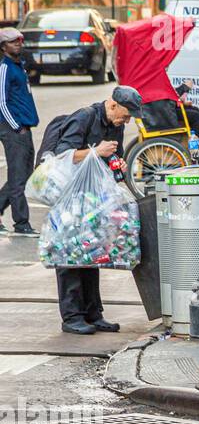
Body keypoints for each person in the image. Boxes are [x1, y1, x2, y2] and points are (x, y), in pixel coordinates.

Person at [51, 86, 142, 334]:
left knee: (92, 253)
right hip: (69, 195)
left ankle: (93, 313)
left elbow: (113, 156)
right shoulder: (84, 117)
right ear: (112, 105)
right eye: (125, 115)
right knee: (70, 255)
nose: (127, 121)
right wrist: (95, 151)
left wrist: (117, 163)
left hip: (94, 196)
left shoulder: (116, 124)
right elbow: (62, 154)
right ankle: (72, 317)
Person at [0, 27, 38, 236]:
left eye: (20, 41)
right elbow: (1, 102)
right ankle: (21, 223)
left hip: (24, 126)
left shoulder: (18, 66)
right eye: (13, 41)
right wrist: (15, 126)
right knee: (17, 178)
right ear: (4, 46)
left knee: (24, 174)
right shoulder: (4, 68)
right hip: (13, 128)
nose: (18, 44)